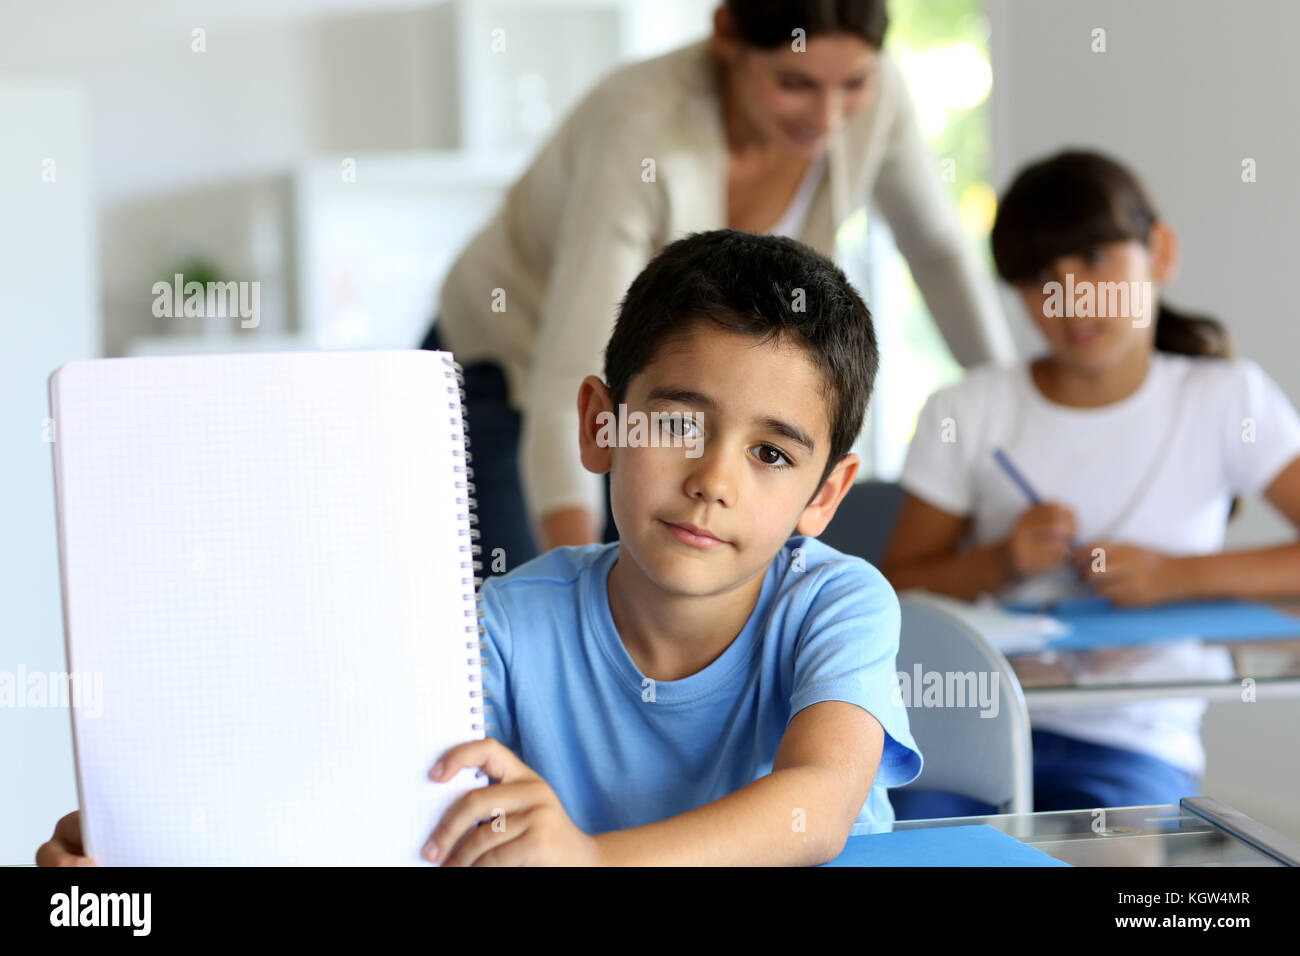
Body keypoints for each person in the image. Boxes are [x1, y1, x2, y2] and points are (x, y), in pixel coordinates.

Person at [39, 229, 922, 866]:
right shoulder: (497, 628)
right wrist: (145, 846)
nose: (713, 479)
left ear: (825, 495)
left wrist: (594, 864)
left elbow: (820, 806)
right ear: (598, 425)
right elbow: (377, 807)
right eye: (677, 422)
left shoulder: (837, 605)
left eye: (771, 454)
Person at [420, 0, 1015, 575]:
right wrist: (567, 589)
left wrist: (1016, 407)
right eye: (795, 83)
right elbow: (567, 372)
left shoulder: (877, 95)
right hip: (502, 358)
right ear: (727, 34)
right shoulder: (636, 125)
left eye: (853, 84)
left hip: (668, 393)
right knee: (519, 591)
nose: (828, 118)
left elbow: (938, 254)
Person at [880, 149, 1300, 812]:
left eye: (1094, 259)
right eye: (1042, 274)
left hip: (1135, 743)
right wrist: (1001, 561)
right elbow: (895, 586)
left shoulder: (1227, 400)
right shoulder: (966, 408)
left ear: (1160, 251)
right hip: (969, 730)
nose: (1069, 295)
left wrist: (1175, 577)